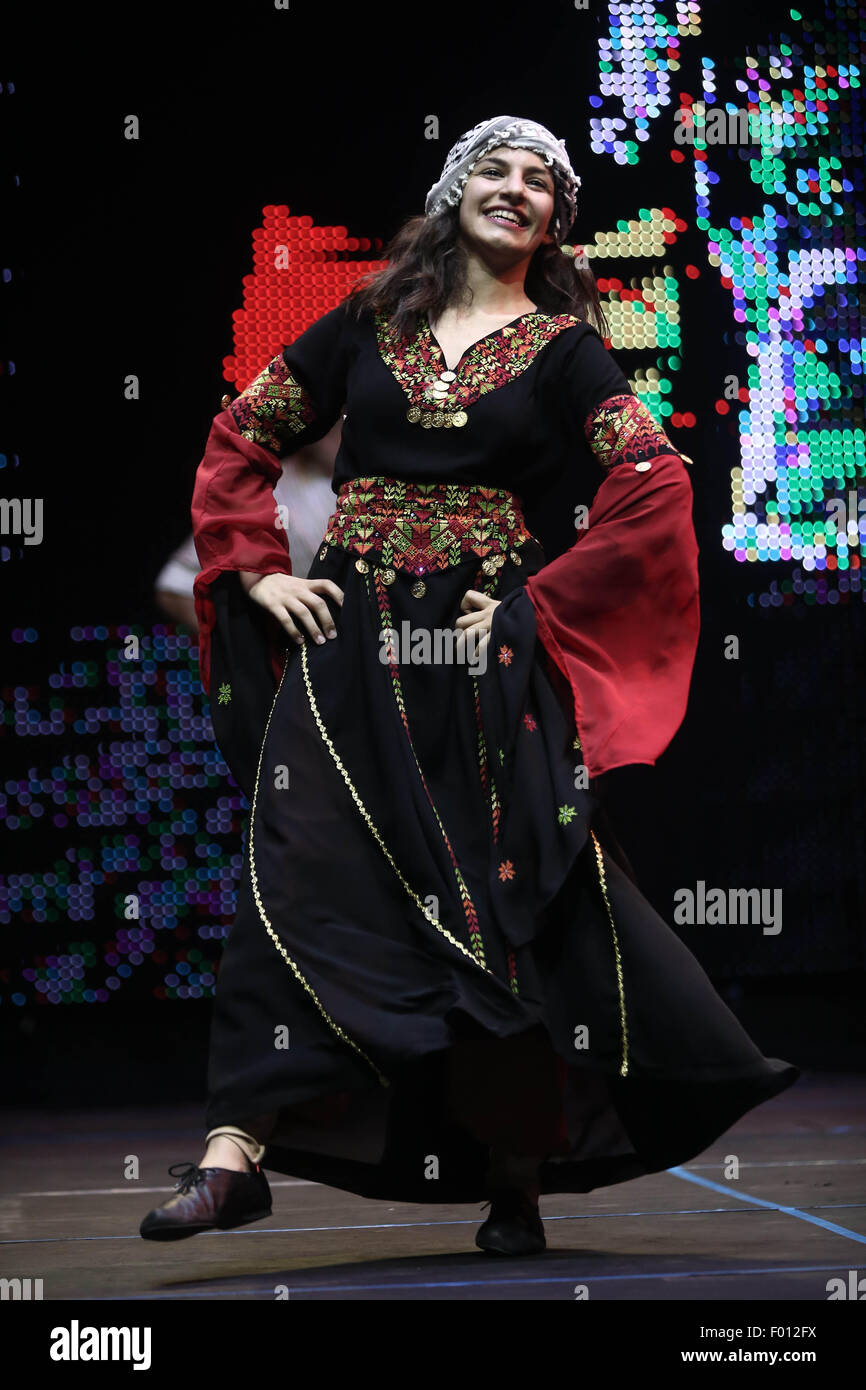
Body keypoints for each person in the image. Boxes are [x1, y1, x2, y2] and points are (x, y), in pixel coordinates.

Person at [140, 115, 799, 1257]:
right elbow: (242, 433)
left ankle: (513, 1171)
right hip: (346, 650)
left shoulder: (560, 351)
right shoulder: (364, 324)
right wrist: (250, 572)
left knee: (501, 908)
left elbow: (650, 481)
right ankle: (231, 1153)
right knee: (290, 873)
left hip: (478, 656)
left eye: (538, 180)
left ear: (554, 220)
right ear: (451, 194)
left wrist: (538, 604)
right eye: (490, 168)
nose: (512, 187)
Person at [153, 422, 342, 629]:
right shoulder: (269, 493)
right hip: (311, 649)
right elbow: (176, 583)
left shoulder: (373, 490)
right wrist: (247, 649)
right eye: (334, 423)